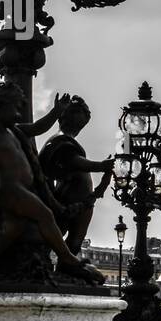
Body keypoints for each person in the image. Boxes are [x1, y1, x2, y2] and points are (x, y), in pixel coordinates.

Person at [0, 82, 103, 284]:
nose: (19, 113)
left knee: (13, 227)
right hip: (9, 188)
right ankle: (66, 257)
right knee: (45, 215)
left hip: (17, 189)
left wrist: (56, 112)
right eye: (15, 107)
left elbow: (38, 128)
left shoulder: (12, 130)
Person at [39, 95, 113, 254]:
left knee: (73, 239)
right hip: (68, 199)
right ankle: (62, 268)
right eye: (77, 115)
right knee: (64, 238)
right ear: (64, 118)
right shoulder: (61, 140)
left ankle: (64, 268)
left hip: (77, 199)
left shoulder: (64, 140)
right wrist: (101, 166)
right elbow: (74, 162)